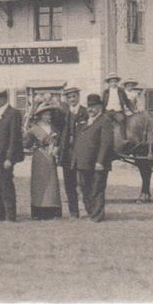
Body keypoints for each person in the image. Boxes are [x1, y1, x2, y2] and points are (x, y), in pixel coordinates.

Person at [69, 94, 113, 222]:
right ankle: (91, 212)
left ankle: (97, 216)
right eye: (89, 106)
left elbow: (106, 143)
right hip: (83, 162)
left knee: (97, 189)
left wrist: (100, 161)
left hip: (96, 163)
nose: (90, 109)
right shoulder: (86, 120)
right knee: (85, 188)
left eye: (93, 106)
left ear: (100, 107)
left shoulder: (105, 121)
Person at [0, 91, 24, 222]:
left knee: (6, 185)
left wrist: (9, 158)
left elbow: (14, 137)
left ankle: (10, 216)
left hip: (4, 157)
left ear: (3, 99)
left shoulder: (13, 113)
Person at [23, 101, 63, 220]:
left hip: (51, 157)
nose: (48, 116)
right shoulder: (34, 129)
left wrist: (56, 147)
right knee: (39, 183)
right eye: (45, 114)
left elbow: (59, 141)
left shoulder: (54, 128)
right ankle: (39, 210)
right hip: (40, 157)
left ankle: (53, 210)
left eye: (49, 114)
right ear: (40, 115)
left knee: (52, 183)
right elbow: (26, 144)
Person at [57, 87, 88, 218]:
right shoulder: (63, 113)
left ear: (78, 97)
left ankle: (89, 209)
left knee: (85, 183)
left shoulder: (85, 112)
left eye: (74, 96)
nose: (72, 99)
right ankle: (74, 212)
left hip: (81, 153)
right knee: (69, 184)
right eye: (69, 97)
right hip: (67, 153)